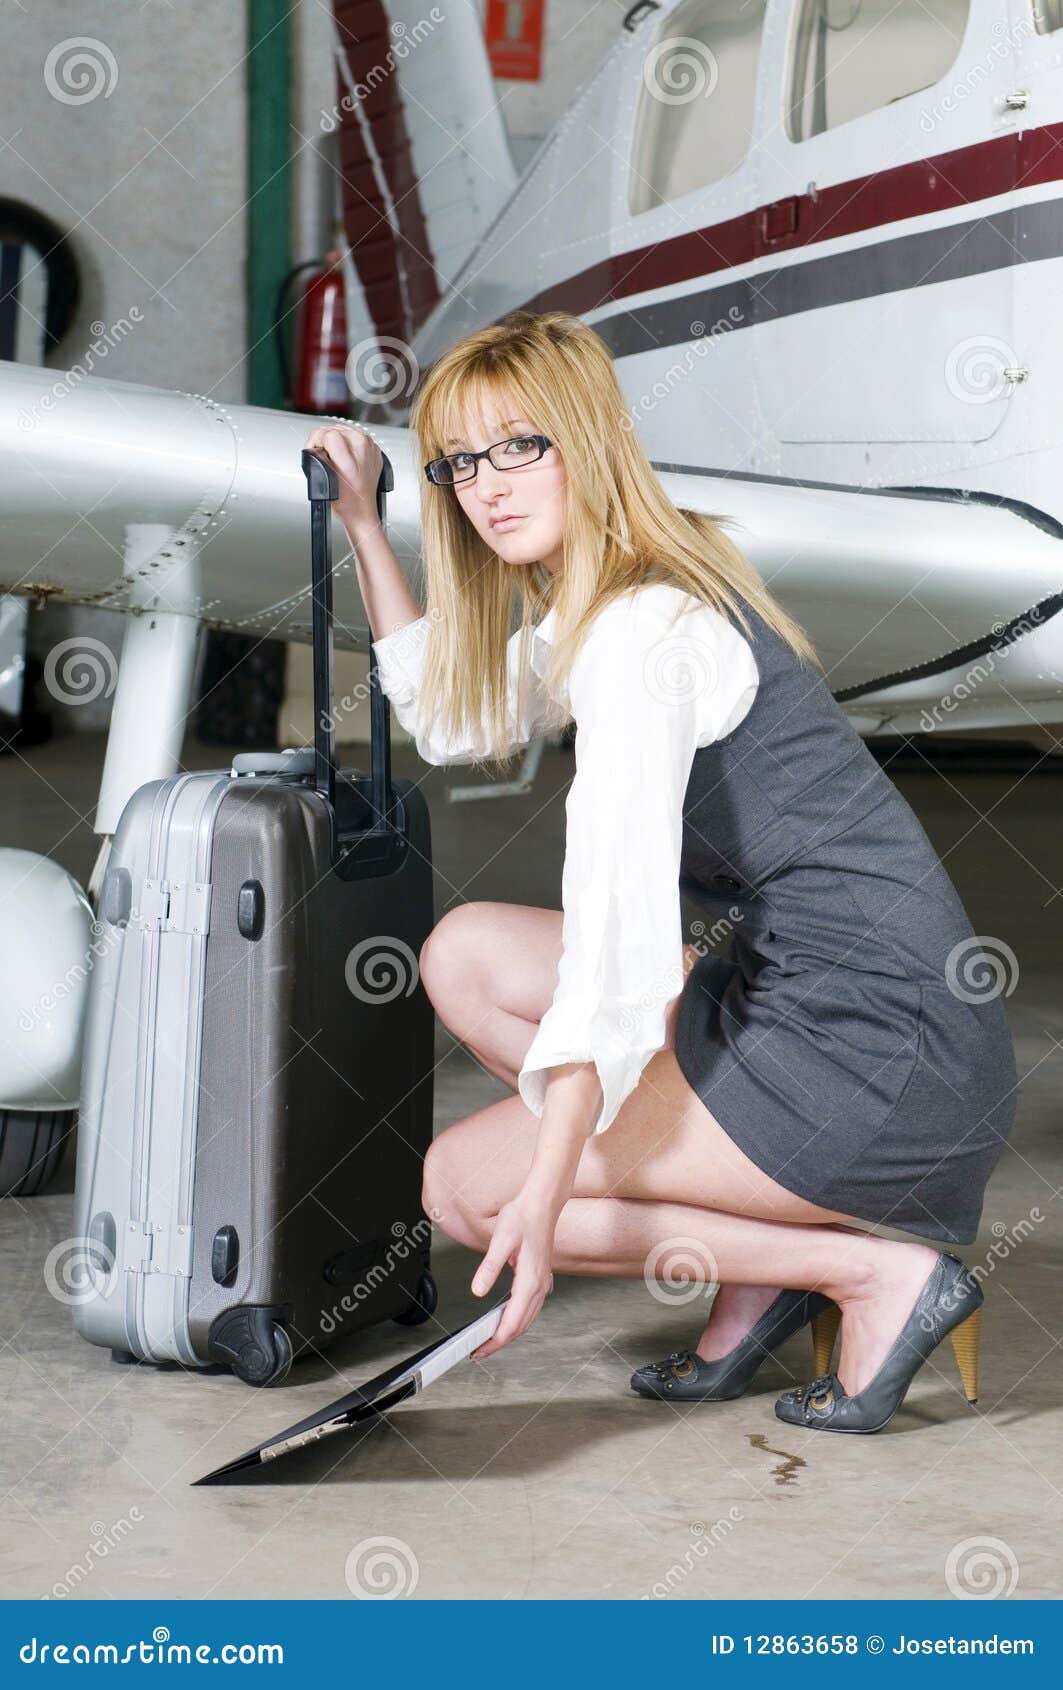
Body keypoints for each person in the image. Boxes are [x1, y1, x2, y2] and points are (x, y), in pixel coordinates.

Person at [302, 309, 1017, 1435]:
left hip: (877, 1056)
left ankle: (873, 1275)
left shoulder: (643, 633)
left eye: (520, 445)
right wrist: (362, 524)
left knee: (464, 1189)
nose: (486, 486)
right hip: (819, 1006)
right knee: (466, 953)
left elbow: (614, 934)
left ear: (587, 438)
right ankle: (760, 1260)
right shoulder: (614, 598)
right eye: (460, 461)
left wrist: (544, 1190)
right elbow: (448, 714)